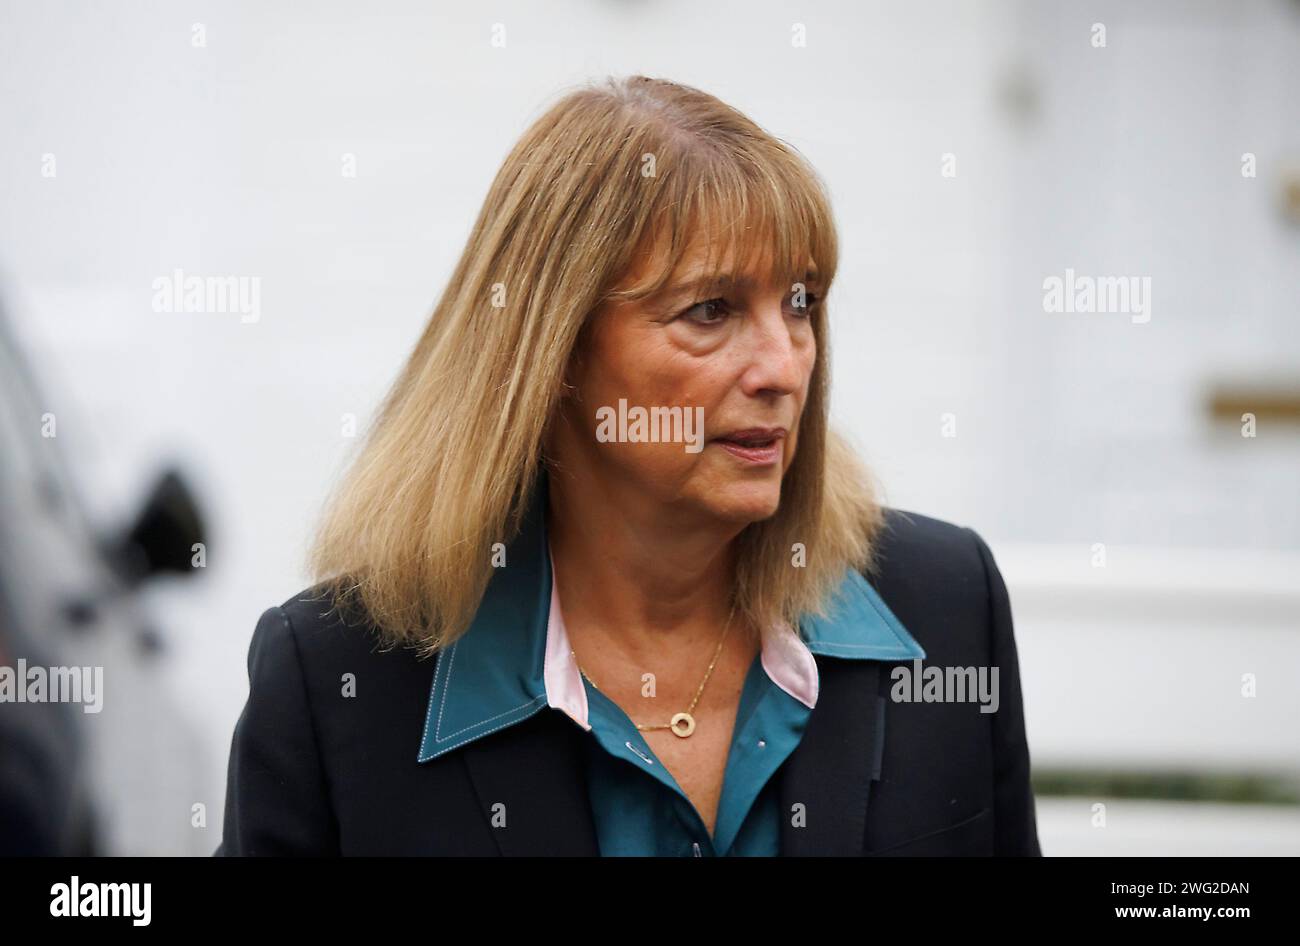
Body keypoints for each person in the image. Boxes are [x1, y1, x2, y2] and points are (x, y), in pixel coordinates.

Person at [217, 75, 1041, 856]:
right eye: (710, 310)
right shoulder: (340, 681)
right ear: (553, 356)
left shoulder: (945, 603)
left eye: (800, 303)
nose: (785, 368)